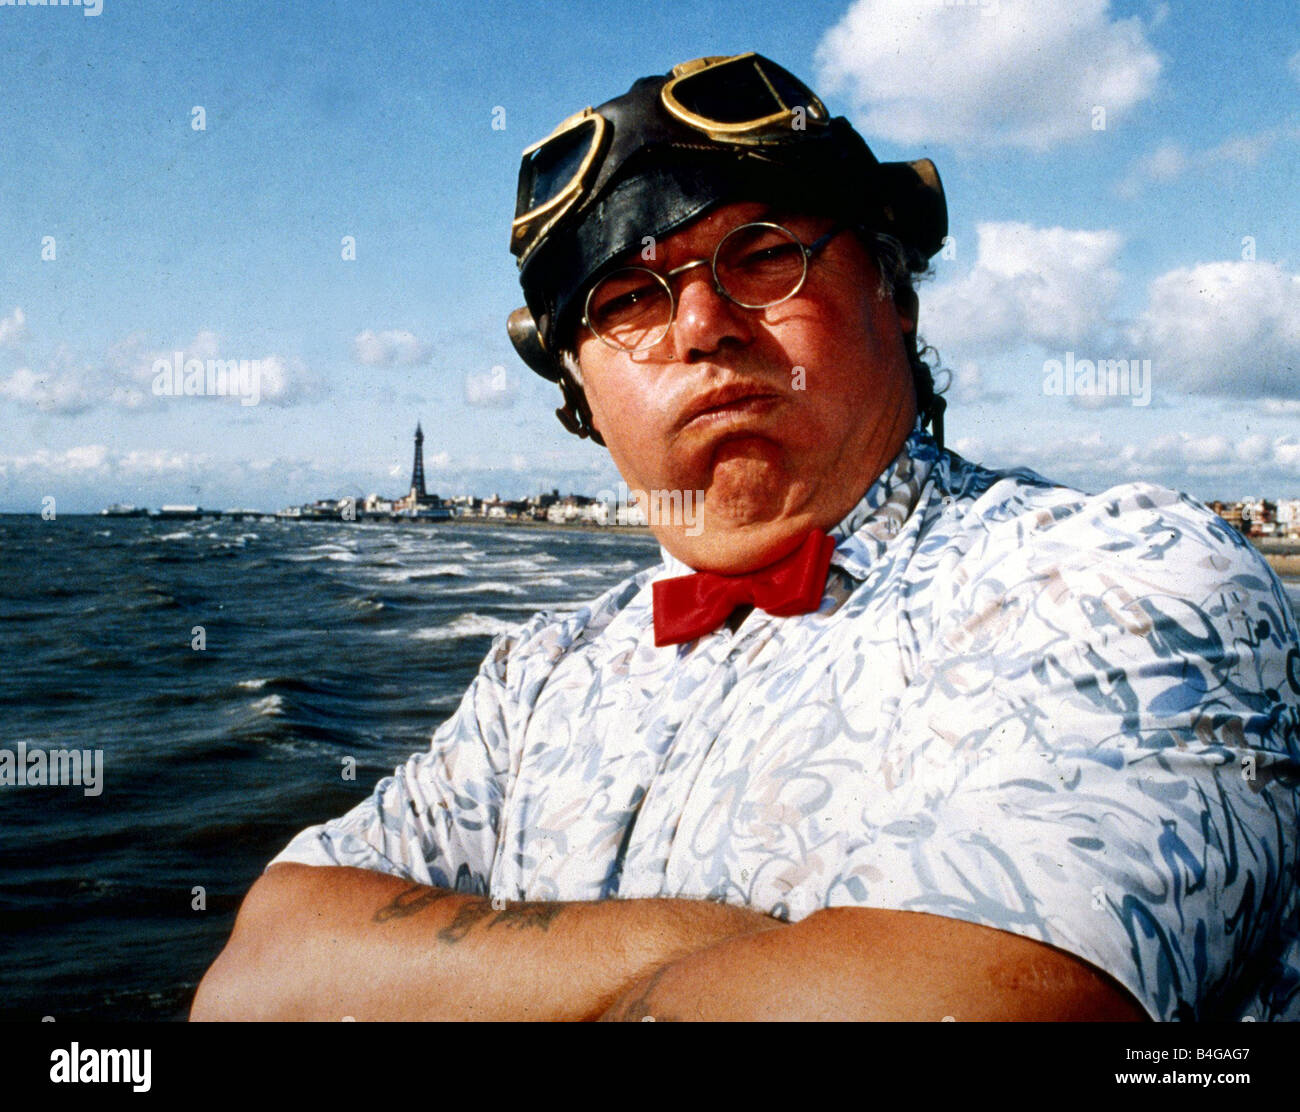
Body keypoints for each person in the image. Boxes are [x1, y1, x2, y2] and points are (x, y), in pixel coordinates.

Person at [192, 52, 1300, 1022]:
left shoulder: (1127, 574)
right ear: (577, 389)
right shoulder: (538, 679)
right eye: (624, 296)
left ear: (892, 292)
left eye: (763, 253)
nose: (700, 322)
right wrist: (715, 946)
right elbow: (258, 986)